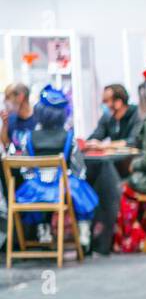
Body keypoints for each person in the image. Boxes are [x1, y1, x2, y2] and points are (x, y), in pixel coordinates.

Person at [11, 86, 98, 250]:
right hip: (64, 187)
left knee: (30, 194)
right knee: (82, 191)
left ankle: (42, 229)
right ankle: (83, 230)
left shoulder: (28, 138)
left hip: (36, 189)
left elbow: (25, 169)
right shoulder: (69, 138)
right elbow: (79, 169)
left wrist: (38, 179)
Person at [1, 83, 37, 149]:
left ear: (20, 97)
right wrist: (5, 125)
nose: (4, 101)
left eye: (8, 97)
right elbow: (5, 145)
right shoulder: (10, 118)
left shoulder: (38, 118)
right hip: (17, 159)